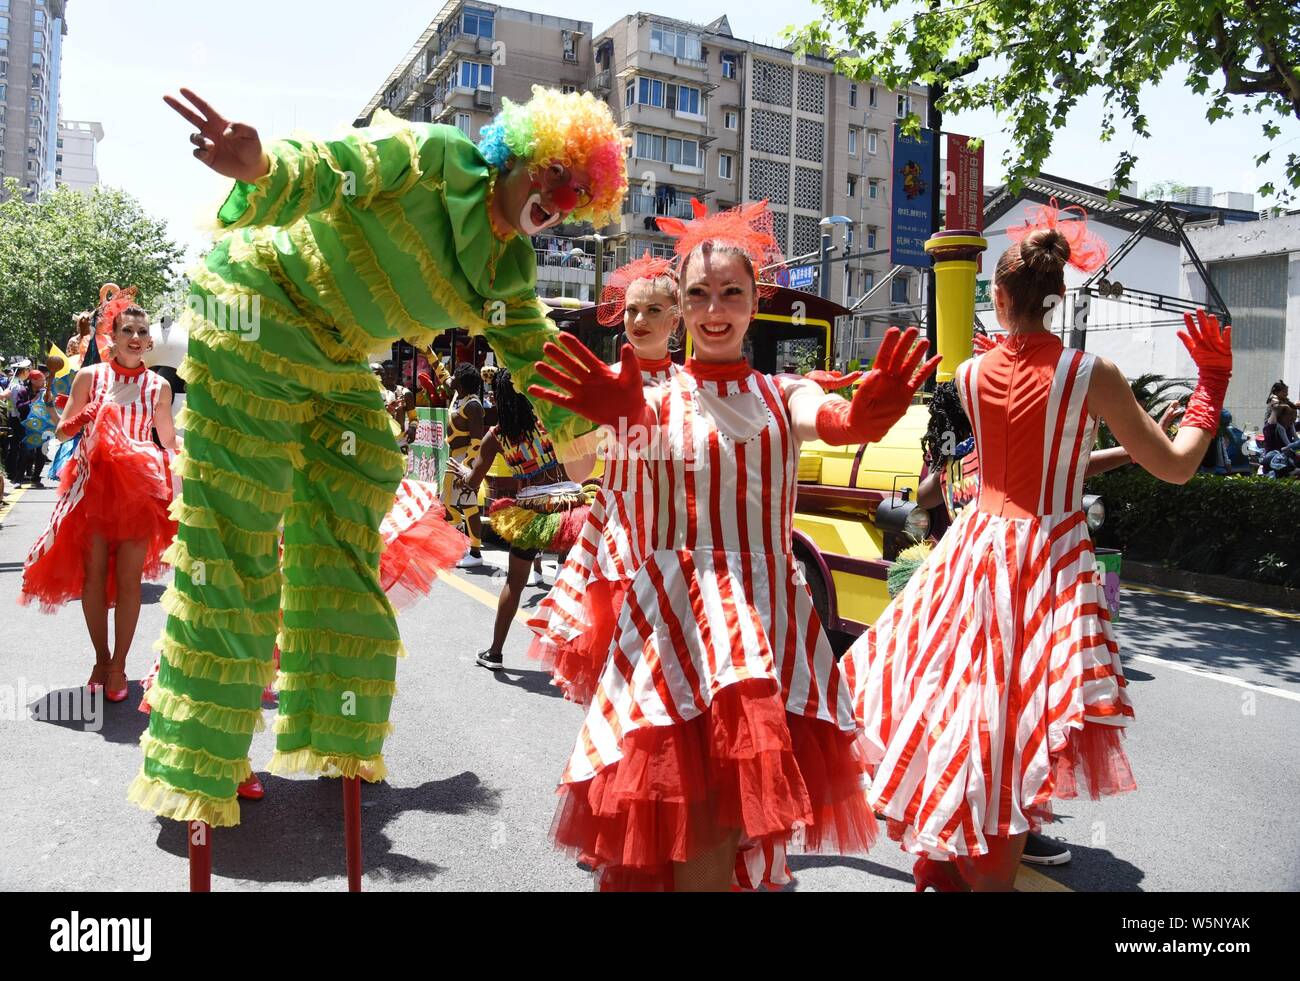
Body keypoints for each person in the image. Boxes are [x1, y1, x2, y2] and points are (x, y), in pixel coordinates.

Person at [130, 84, 627, 829]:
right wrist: (262, 167)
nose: (561, 199)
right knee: (235, 538)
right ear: (520, 154)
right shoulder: (436, 158)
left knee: (352, 504)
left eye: (580, 193)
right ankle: (200, 759)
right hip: (256, 307)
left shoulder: (507, 273)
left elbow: (538, 356)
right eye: (557, 173)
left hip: (334, 354)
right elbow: (335, 166)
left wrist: (604, 448)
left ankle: (333, 731)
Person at [528, 199, 939, 891]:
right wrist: (589, 422)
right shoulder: (653, 400)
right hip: (672, 628)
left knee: (729, 818)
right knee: (686, 815)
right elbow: (582, 464)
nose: (714, 310)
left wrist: (865, 417)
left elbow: (830, 419)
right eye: (698, 294)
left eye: (730, 293)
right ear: (682, 305)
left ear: (755, 300)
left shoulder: (785, 393)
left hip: (761, 628)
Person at [841, 202, 1232, 891]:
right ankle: (990, 855)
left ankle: (955, 847)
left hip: (974, 552)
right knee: (1022, 718)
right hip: (1050, 560)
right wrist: (1211, 388)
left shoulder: (969, 375)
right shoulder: (1091, 373)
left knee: (962, 704)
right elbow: (1176, 465)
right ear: (1058, 298)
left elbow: (1005, 465)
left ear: (998, 296)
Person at [525, 252, 680, 704]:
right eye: (631, 309)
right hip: (616, 535)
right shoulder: (600, 381)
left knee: (667, 681)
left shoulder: (691, 386)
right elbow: (580, 472)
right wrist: (568, 427)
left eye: (653, 310)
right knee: (612, 679)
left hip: (676, 534)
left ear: (676, 321)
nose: (639, 320)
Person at [19, 295, 179, 705]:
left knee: (129, 581)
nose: (136, 337)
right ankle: (100, 658)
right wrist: (86, 415)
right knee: (93, 579)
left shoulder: (159, 386)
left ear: (149, 341)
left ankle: (119, 665)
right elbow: (62, 433)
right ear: (113, 336)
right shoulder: (90, 377)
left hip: (140, 491)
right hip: (92, 488)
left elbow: (167, 440)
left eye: (142, 331)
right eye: (128, 330)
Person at [460, 367, 593, 669]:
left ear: (498, 397)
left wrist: (464, 475)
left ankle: (495, 653)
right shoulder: (550, 419)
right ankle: (589, 657)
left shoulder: (496, 436)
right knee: (581, 581)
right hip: (573, 506)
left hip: (532, 512)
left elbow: (473, 480)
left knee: (515, 583)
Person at [442, 363, 489, 567]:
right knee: (447, 504)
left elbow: (477, 443)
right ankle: (460, 545)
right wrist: (428, 352)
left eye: (455, 376)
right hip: (454, 458)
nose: (451, 378)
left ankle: (476, 554)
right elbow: (444, 377)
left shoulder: (473, 406)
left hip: (466, 459)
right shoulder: (458, 394)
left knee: (469, 504)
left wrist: (466, 471)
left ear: (461, 382)